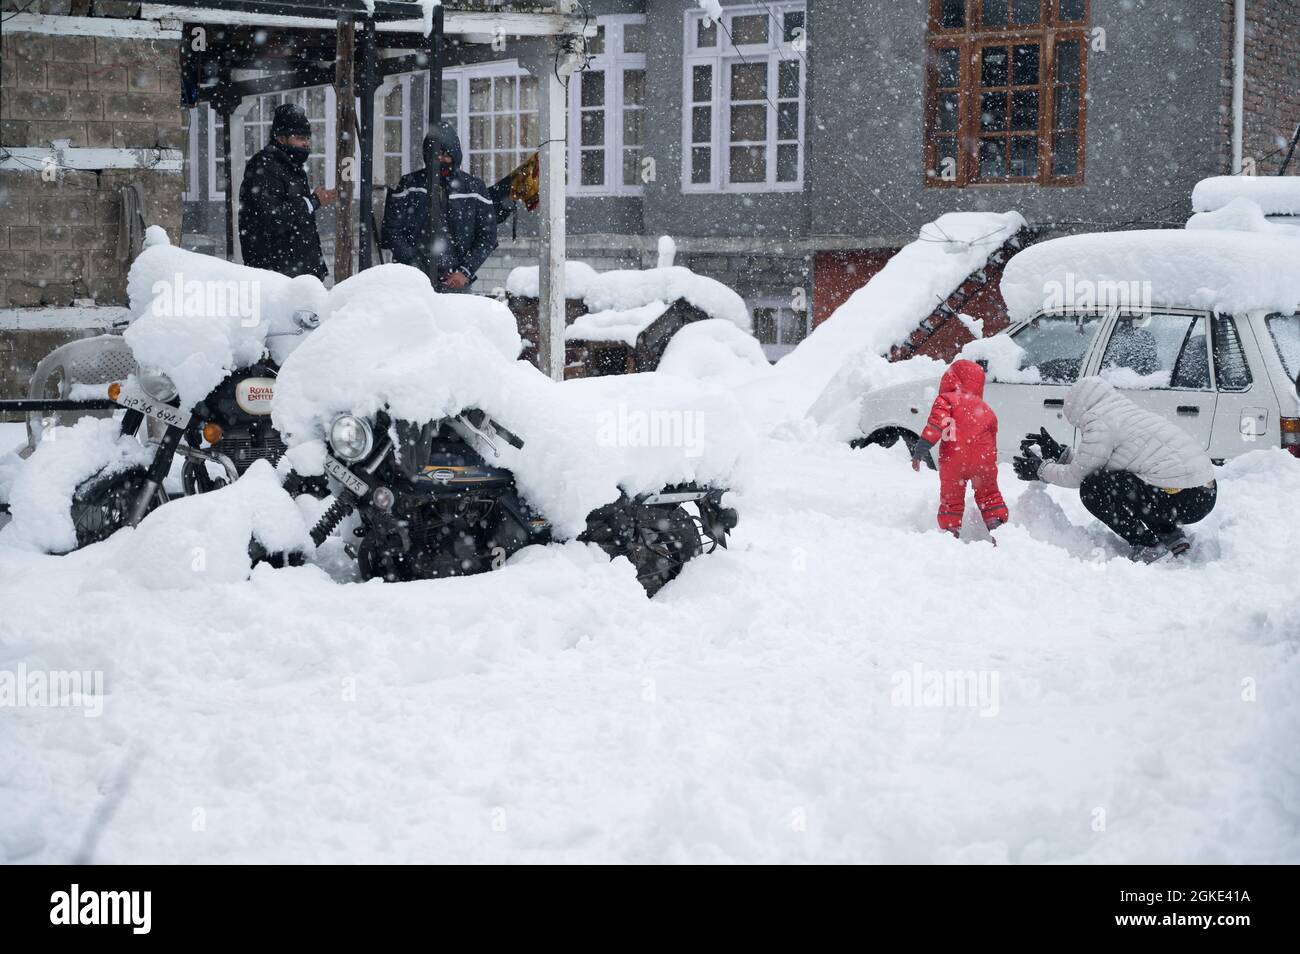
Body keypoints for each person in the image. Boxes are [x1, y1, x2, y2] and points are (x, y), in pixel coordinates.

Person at [1014, 376, 1216, 560]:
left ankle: (1148, 545)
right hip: (1202, 494)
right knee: (1133, 482)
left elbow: (1079, 477)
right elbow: (1107, 462)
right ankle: (1171, 534)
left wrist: (1041, 470)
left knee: (1093, 488)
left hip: (1179, 497)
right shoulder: (1124, 413)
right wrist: (1062, 454)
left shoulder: (1098, 421)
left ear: (1077, 411)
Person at [381, 121, 498, 292]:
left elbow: (487, 236)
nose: (441, 159)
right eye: (435, 154)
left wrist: (464, 271)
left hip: (456, 283)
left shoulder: (474, 188)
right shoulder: (409, 185)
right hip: (413, 281)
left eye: (446, 154)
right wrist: (414, 266)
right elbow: (392, 230)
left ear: (455, 154)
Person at [910, 358, 1009, 538]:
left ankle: (950, 533)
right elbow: (992, 436)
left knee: (951, 499)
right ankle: (999, 530)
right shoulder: (985, 408)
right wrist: (989, 461)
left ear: (951, 379)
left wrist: (920, 452)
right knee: (989, 495)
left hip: (953, 461)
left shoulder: (946, 399)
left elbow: (935, 427)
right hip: (983, 462)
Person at [238, 103, 334, 279]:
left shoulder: (290, 167)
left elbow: (298, 225)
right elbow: (273, 217)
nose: (306, 143)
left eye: (307, 138)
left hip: (295, 272)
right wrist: (312, 202)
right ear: (281, 138)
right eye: (300, 137)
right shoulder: (264, 167)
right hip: (279, 274)